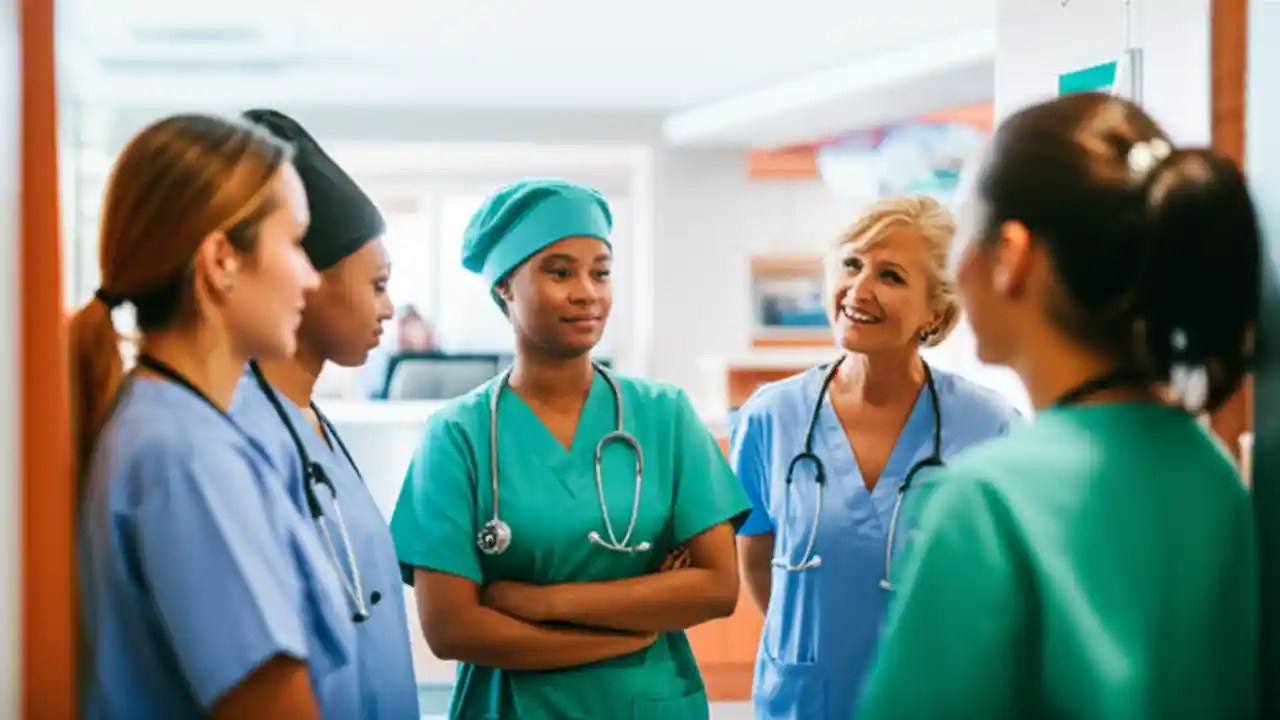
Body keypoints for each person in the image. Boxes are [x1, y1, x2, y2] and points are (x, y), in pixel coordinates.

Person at [857, 93, 1258, 717]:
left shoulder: (987, 501)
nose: (956, 265)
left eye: (964, 228)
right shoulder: (1211, 472)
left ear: (1011, 257)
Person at [390, 178, 750, 719]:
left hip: (646, 704)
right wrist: (628, 627)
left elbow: (716, 589)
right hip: (512, 705)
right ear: (504, 288)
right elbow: (452, 628)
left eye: (600, 272)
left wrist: (540, 602)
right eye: (560, 272)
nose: (587, 291)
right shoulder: (458, 435)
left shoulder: (663, 415)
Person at [71, 114, 365, 718]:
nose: (311, 279)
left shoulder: (166, 424)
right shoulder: (189, 458)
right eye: (295, 243)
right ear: (221, 261)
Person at [730, 195, 1021, 719]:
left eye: (890, 276)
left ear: (936, 307)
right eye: (851, 263)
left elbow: (1005, 586)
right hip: (803, 701)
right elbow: (758, 557)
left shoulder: (990, 426)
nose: (859, 290)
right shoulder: (771, 417)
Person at [229, 109, 419, 719]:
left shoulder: (311, 422)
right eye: (378, 284)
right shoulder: (241, 435)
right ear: (307, 281)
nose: (389, 309)